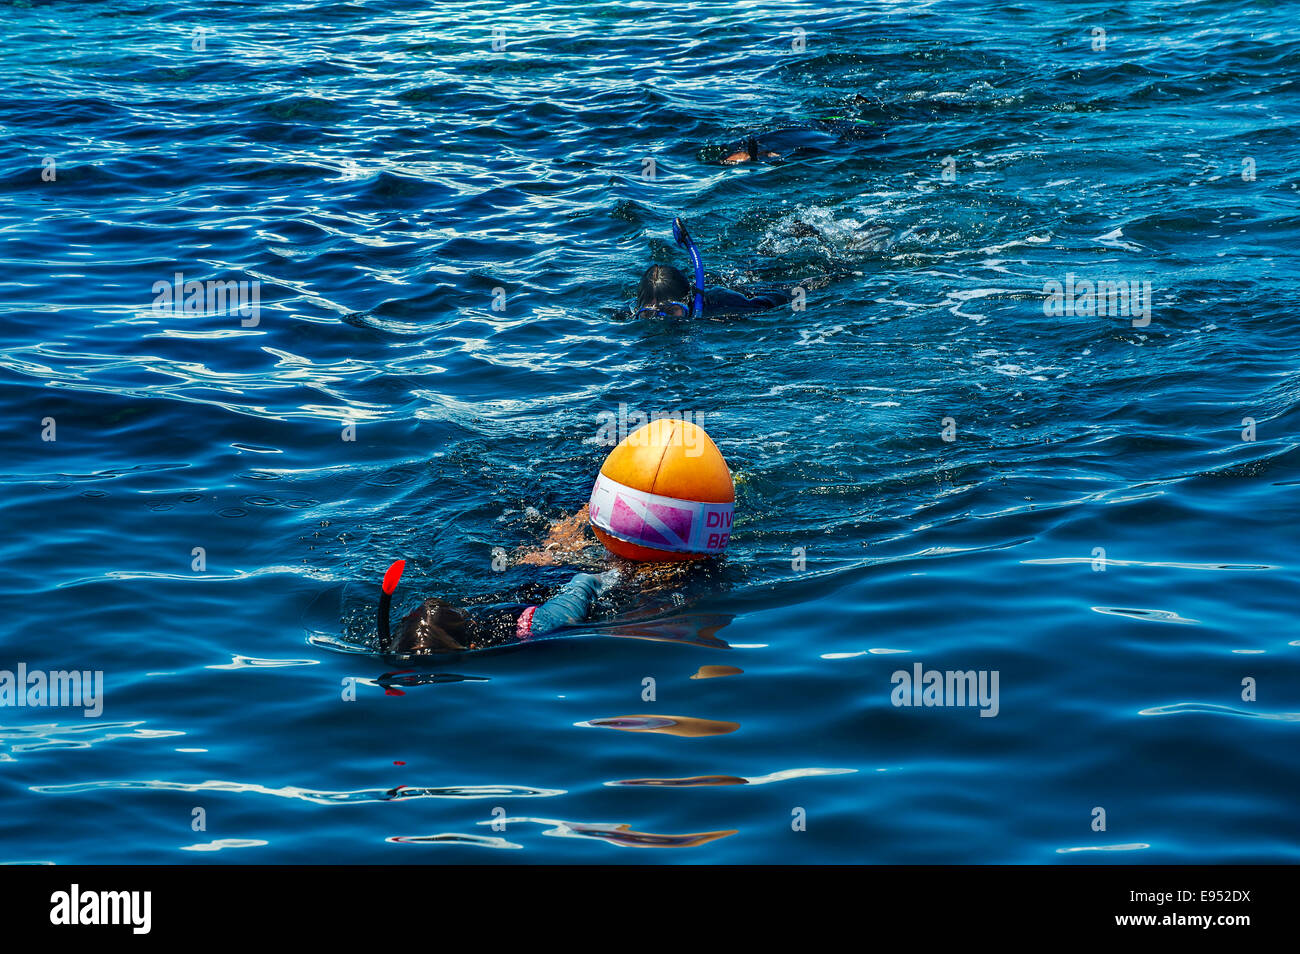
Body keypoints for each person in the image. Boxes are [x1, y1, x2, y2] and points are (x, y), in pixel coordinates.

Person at [375, 558, 616, 655]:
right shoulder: (546, 626)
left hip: (545, 604)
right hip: (530, 594)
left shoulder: (546, 624)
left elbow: (585, 580)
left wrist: (621, 570)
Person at [633, 218, 792, 319]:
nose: (660, 320)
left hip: (735, 290)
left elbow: (771, 302)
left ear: (688, 302)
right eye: (648, 314)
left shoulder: (721, 303)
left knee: (758, 266)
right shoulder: (643, 302)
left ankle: (788, 235)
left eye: (671, 311)